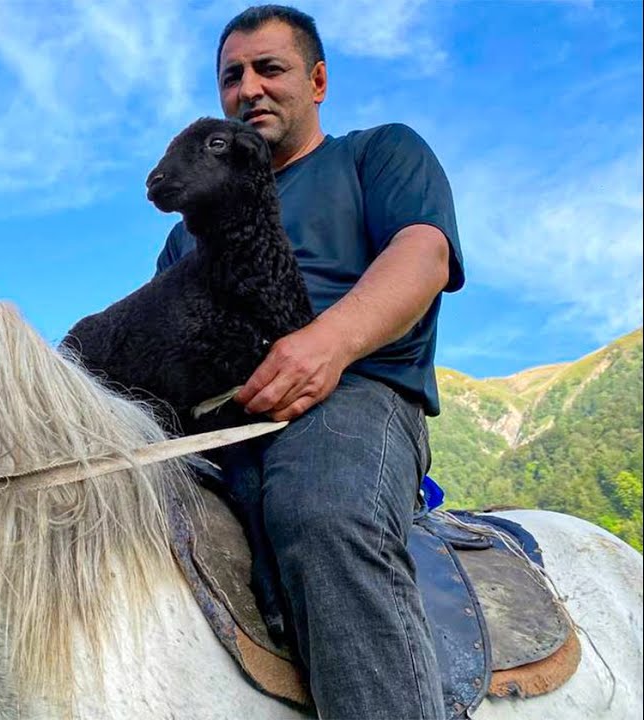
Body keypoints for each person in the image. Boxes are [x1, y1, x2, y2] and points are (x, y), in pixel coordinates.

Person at [155, 5, 464, 719]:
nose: (250, 89)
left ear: (317, 80)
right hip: (220, 422)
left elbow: (423, 255)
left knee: (320, 511)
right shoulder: (187, 235)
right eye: (232, 77)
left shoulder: (377, 153)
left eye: (270, 69)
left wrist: (327, 344)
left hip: (359, 393)